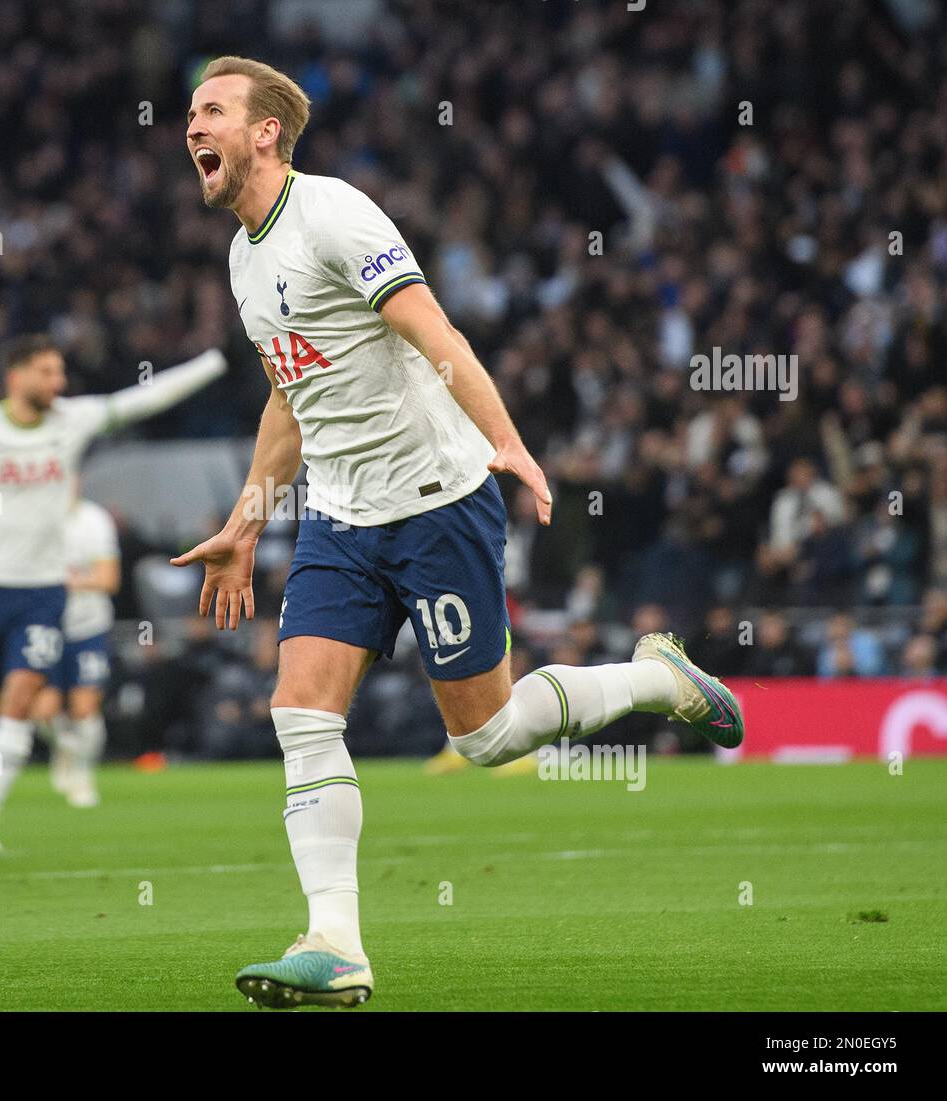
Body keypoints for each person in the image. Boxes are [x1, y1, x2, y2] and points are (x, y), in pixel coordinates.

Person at [172, 56, 745, 1009]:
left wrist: (507, 443)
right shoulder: (242, 258)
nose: (191, 127)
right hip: (340, 517)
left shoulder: (336, 217)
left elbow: (438, 334)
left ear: (264, 131)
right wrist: (246, 518)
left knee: (485, 735)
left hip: (438, 498)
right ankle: (335, 944)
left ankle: (658, 678)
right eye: (189, 113)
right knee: (300, 712)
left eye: (211, 112)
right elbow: (290, 392)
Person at [0, 335, 225, 856]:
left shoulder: (72, 420)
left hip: (44, 592)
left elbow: (142, 399)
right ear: (16, 377)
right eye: (47, 373)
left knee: (18, 705)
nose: (59, 384)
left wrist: (212, 360)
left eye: (60, 373)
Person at [32, 492, 121, 808]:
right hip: (45, 626)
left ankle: (84, 775)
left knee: (85, 708)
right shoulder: (33, 518)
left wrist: (64, 582)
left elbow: (110, 579)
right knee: (41, 711)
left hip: (87, 626)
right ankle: (65, 749)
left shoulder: (93, 520)